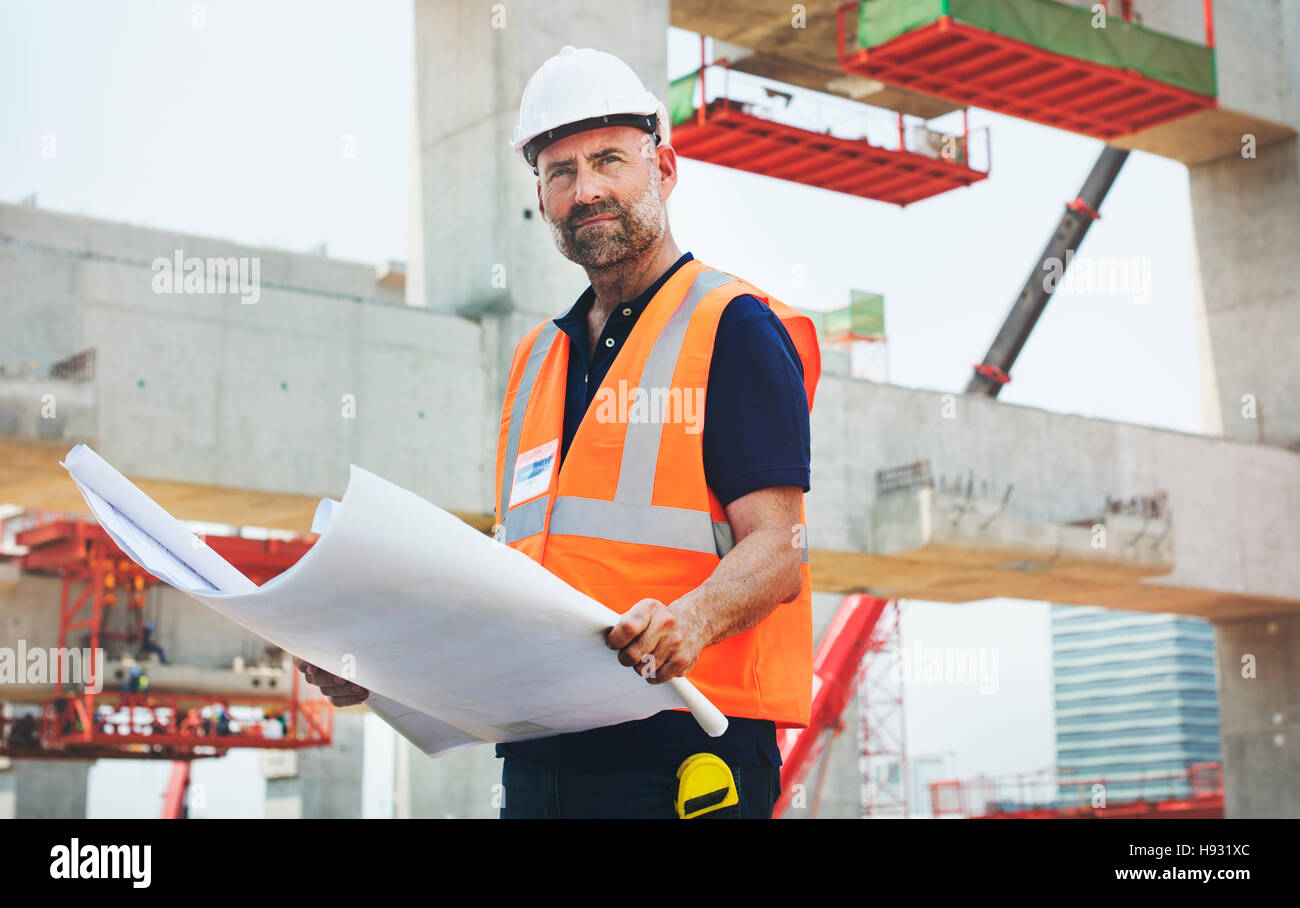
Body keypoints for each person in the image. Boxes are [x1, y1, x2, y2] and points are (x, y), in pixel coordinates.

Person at [297, 45, 819, 819]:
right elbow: (522, 585)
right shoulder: (537, 358)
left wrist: (691, 621)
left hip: (684, 756)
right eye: (560, 172)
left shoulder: (732, 326)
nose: (587, 190)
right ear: (540, 199)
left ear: (664, 170)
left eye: (609, 159)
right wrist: (380, 669)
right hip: (542, 762)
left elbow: (780, 548)